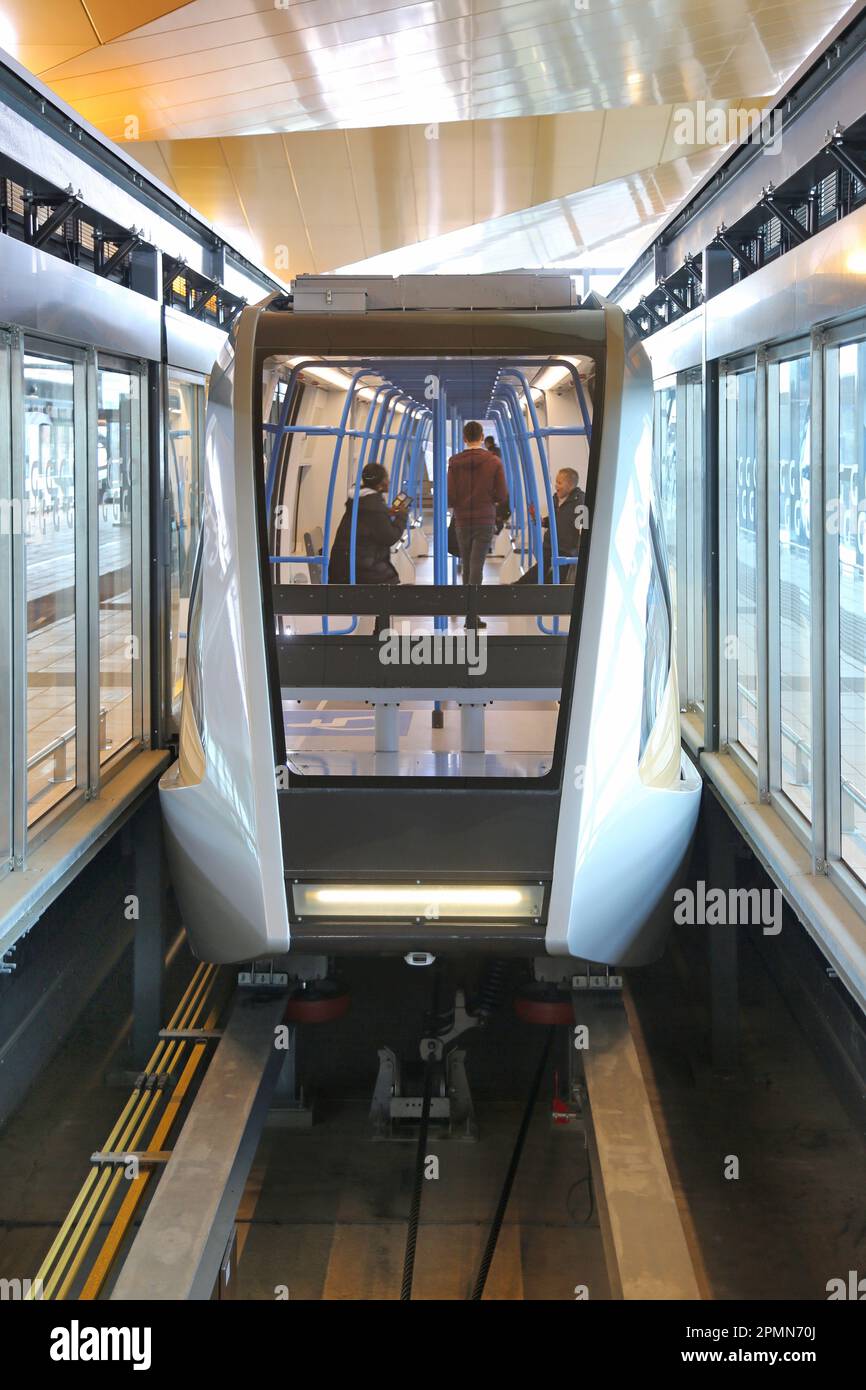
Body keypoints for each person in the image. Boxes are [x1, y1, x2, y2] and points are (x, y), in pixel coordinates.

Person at [447, 421, 509, 626]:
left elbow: (450, 496)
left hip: (462, 519)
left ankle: (469, 612)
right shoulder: (494, 462)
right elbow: (501, 494)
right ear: (482, 437)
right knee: (476, 565)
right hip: (484, 518)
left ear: (464, 438)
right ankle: (472, 615)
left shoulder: (454, 462)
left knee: (467, 564)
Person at [328, 461, 408, 585]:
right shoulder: (374, 507)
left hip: (343, 566)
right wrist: (402, 515)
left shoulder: (359, 500)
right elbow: (390, 537)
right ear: (380, 484)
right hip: (363, 569)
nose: (389, 481)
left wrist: (387, 512)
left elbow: (369, 522)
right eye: (386, 477)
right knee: (393, 583)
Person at [516, 467, 585, 585]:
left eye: (559, 482)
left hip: (566, 550)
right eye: (556, 482)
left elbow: (584, 526)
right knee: (539, 571)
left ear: (570, 485)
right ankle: (518, 586)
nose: (556, 485)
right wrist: (539, 520)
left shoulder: (580, 501)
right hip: (550, 546)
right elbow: (553, 521)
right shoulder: (555, 499)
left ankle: (522, 588)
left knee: (554, 579)